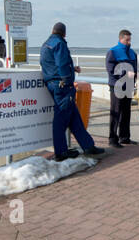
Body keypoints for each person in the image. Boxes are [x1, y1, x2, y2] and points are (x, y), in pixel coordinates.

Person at [41, 22, 103, 161]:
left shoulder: (46, 44)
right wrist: (66, 80)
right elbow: (62, 63)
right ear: (64, 33)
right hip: (62, 86)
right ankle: (61, 152)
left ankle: (88, 145)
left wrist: (72, 69)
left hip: (52, 83)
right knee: (61, 118)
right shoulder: (59, 43)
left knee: (74, 117)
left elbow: (51, 64)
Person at [105, 29, 138, 147]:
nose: (129, 42)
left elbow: (134, 68)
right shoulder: (113, 51)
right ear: (121, 39)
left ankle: (124, 137)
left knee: (126, 112)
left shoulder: (133, 53)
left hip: (129, 86)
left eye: (130, 40)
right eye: (127, 40)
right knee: (116, 112)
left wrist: (136, 75)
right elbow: (110, 69)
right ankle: (113, 139)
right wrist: (125, 74)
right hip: (117, 86)